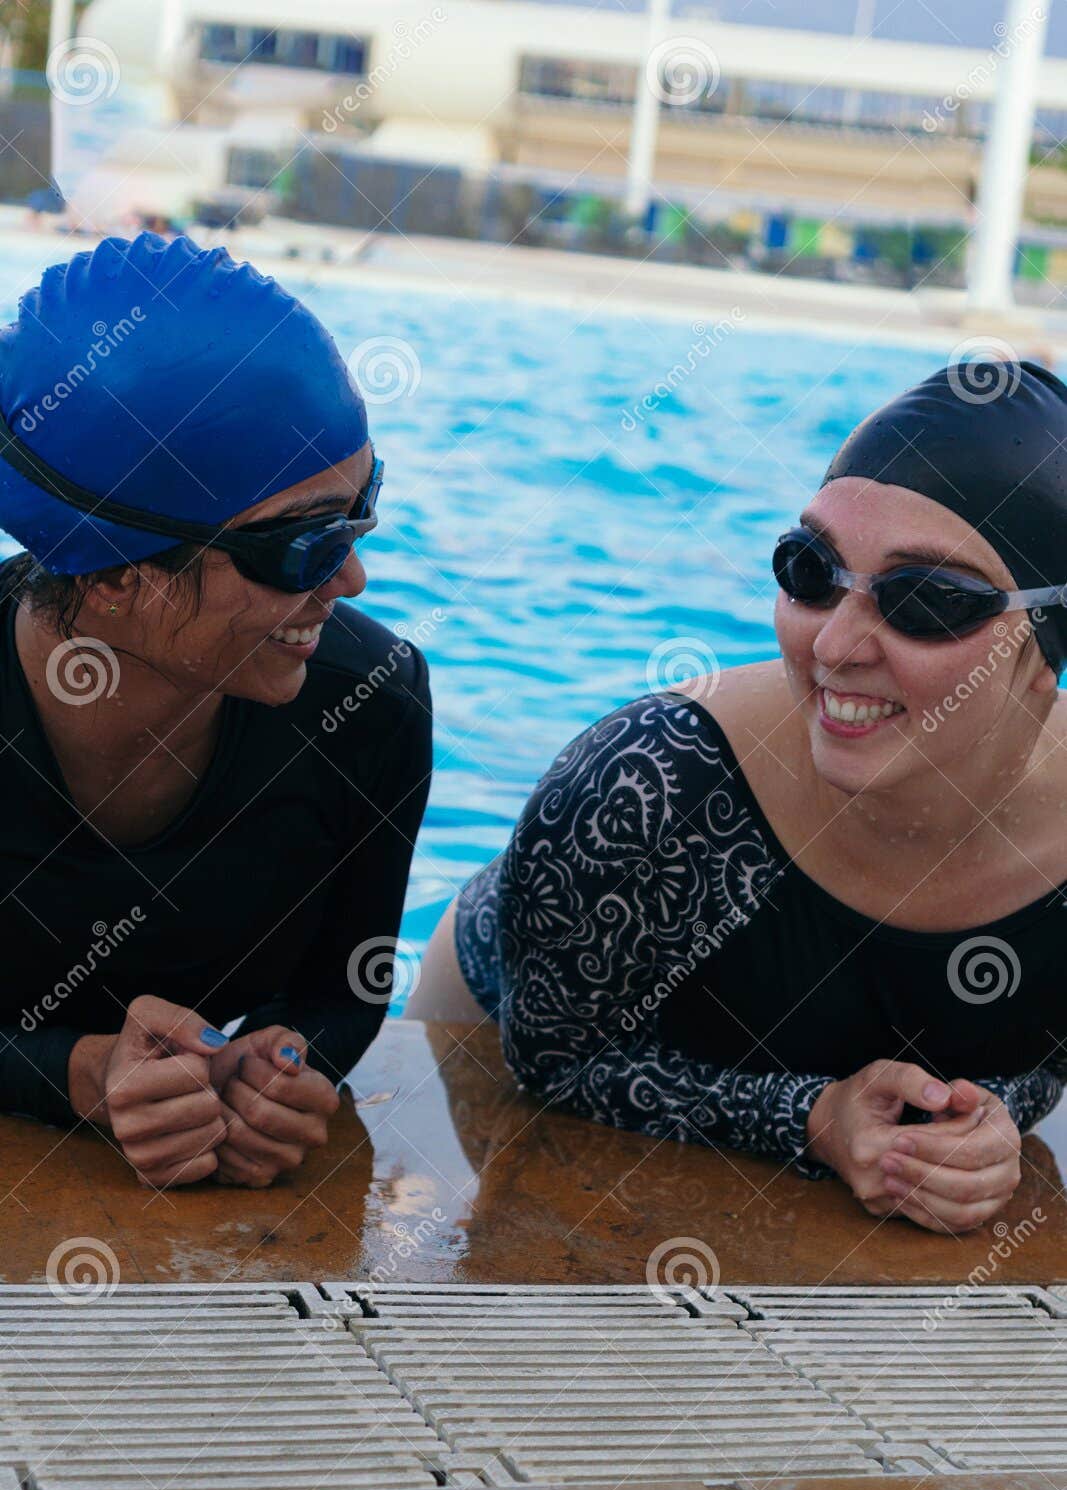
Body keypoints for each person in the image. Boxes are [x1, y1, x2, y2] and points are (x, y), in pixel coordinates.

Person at [409, 359, 1067, 1235]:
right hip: (506, 1024)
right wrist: (811, 1119)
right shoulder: (647, 780)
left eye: (925, 601)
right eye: (810, 569)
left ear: (1047, 643)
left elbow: (1040, 1045)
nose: (833, 644)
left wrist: (982, 1116)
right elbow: (557, 1061)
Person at [0, 232, 431, 1190]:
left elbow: (344, 996)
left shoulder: (368, 706)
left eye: (364, 511)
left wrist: (279, 1068)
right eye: (302, 548)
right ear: (114, 577)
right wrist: (73, 1073)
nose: (352, 580)